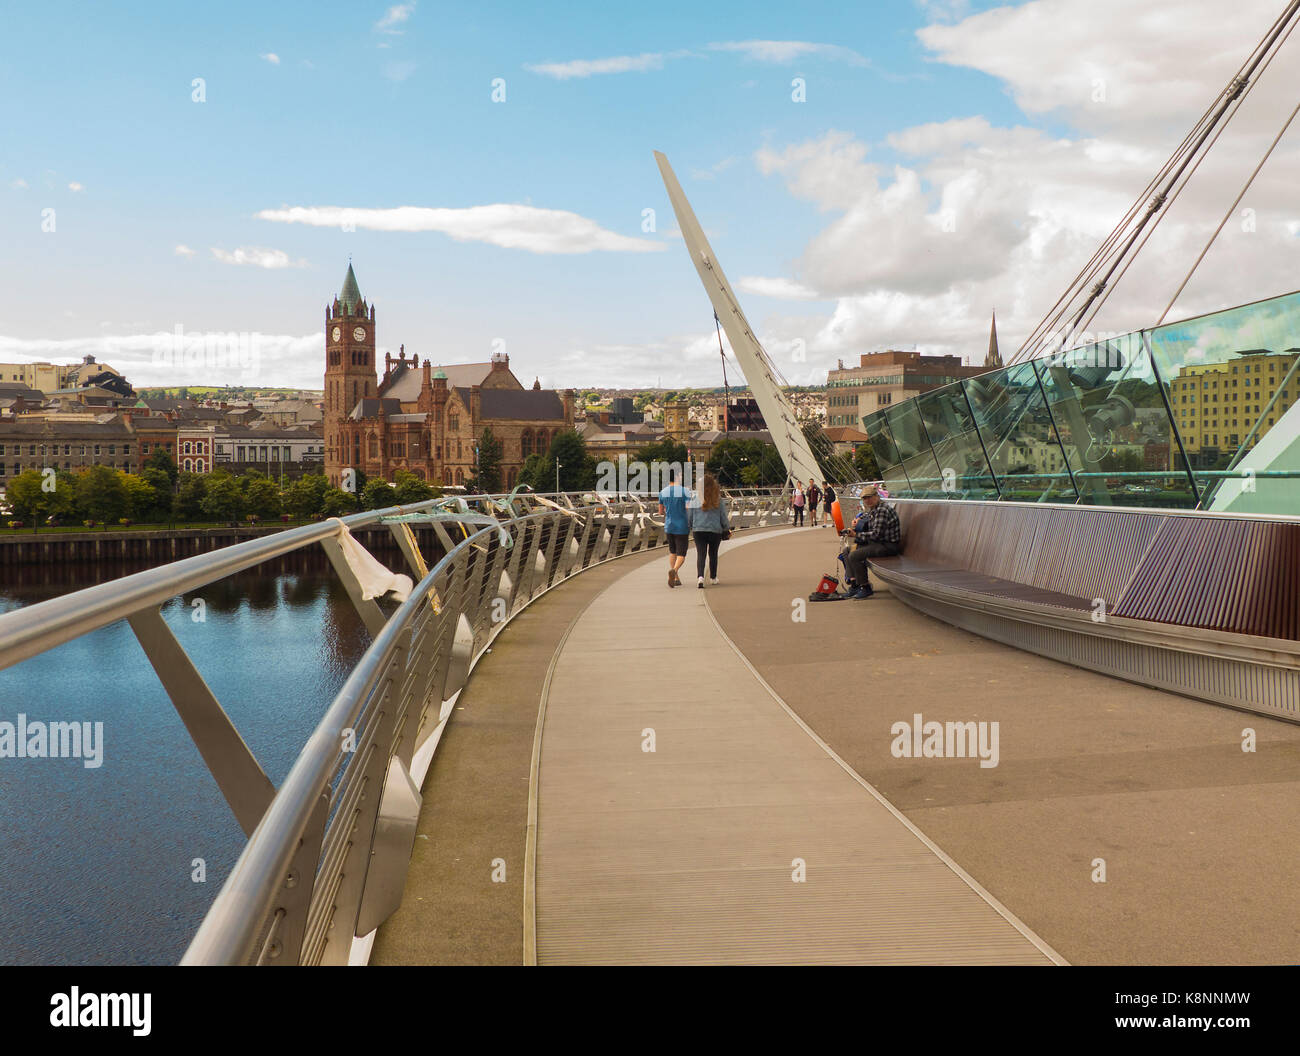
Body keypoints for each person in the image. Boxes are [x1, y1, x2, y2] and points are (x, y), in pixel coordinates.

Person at [839, 485, 900, 599]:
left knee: (854, 555)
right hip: (878, 543)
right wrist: (858, 521)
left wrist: (856, 534)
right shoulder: (875, 509)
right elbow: (869, 521)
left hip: (887, 546)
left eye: (869, 497)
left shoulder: (882, 510)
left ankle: (865, 587)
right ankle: (854, 584)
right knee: (847, 551)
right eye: (864, 498)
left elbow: (877, 535)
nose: (867, 500)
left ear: (876, 496)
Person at [688, 471, 730, 588]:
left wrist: (690, 526)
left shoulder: (695, 498)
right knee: (713, 554)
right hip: (715, 530)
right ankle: (713, 577)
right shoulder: (718, 499)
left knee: (701, 554)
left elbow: (690, 515)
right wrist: (726, 528)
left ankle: (700, 577)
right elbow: (723, 516)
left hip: (699, 530)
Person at [658, 467, 693, 588]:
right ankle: (675, 570)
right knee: (681, 554)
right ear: (677, 476)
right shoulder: (684, 491)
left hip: (669, 526)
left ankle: (676, 578)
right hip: (682, 526)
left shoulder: (663, 492)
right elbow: (689, 508)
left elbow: (661, 512)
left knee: (672, 551)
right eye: (681, 475)